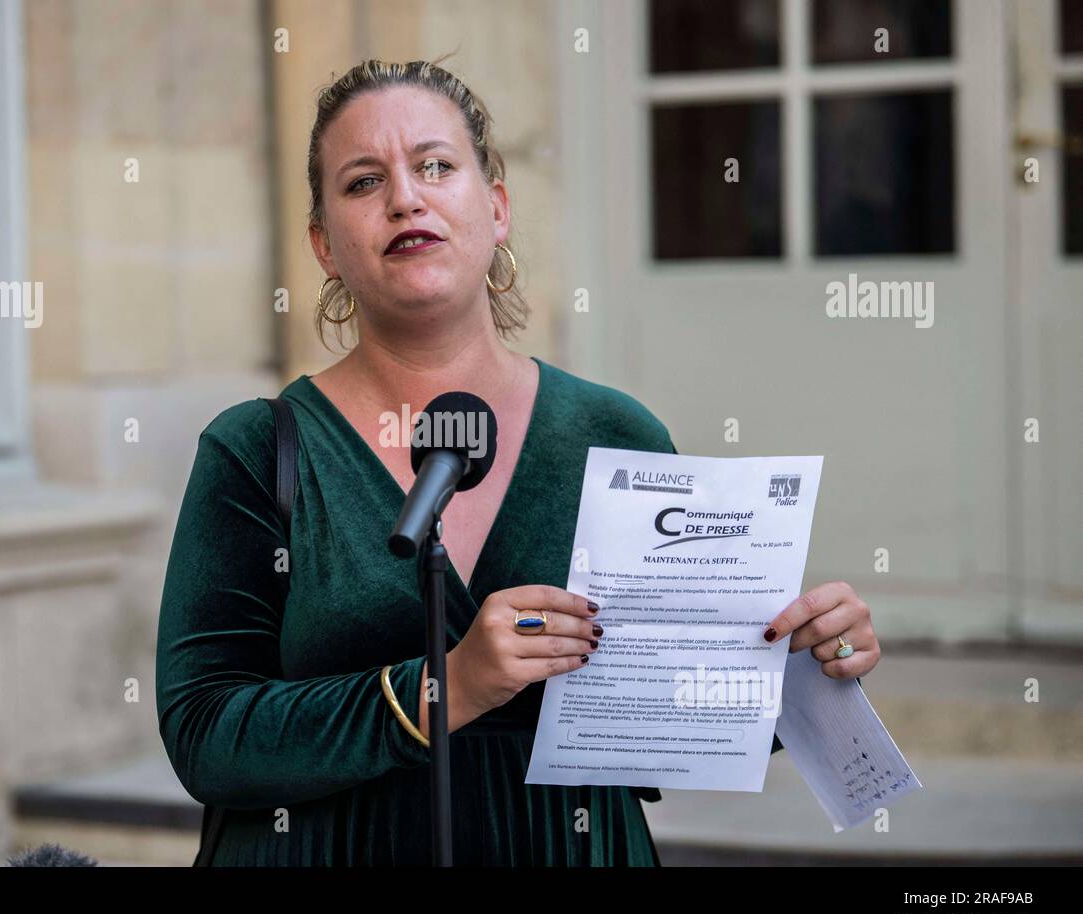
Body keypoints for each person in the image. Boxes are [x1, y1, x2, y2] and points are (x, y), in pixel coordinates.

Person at [155, 57, 881, 866]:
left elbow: (695, 711)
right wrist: (446, 689)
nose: (405, 197)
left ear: (495, 208)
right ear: (325, 246)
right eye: (364, 182)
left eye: (436, 166)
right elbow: (205, 736)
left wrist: (812, 667)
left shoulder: (614, 433)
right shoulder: (259, 450)